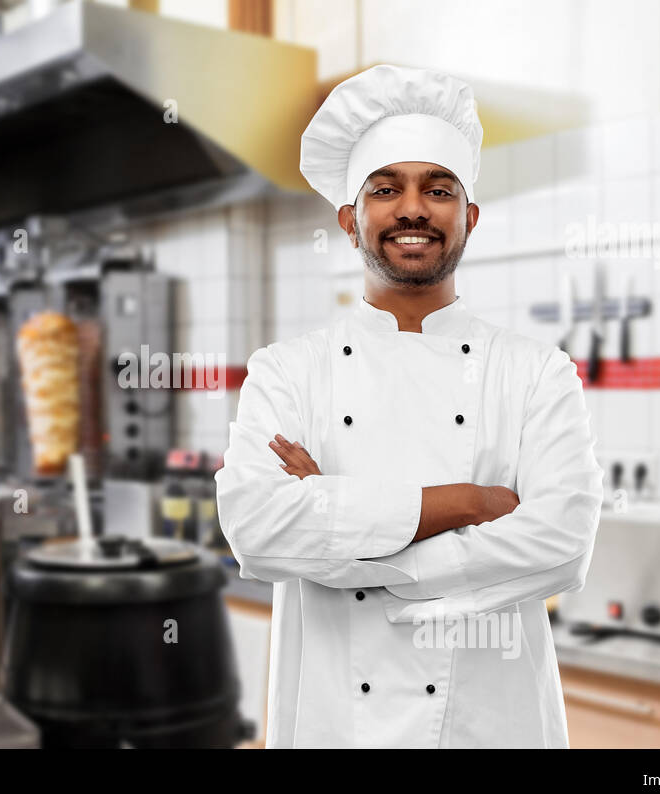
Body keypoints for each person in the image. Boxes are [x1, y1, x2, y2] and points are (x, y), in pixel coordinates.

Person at [215, 64, 604, 748]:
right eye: (386, 188)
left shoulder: (537, 373)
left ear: (469, 217)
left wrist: (345, 521)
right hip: (337, 725)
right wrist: (469, 503)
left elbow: (562, 544)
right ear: (350, 219)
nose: (413, 209)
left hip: (489, 728)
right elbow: (257, 531)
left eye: (439, 188)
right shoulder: (287, 372)